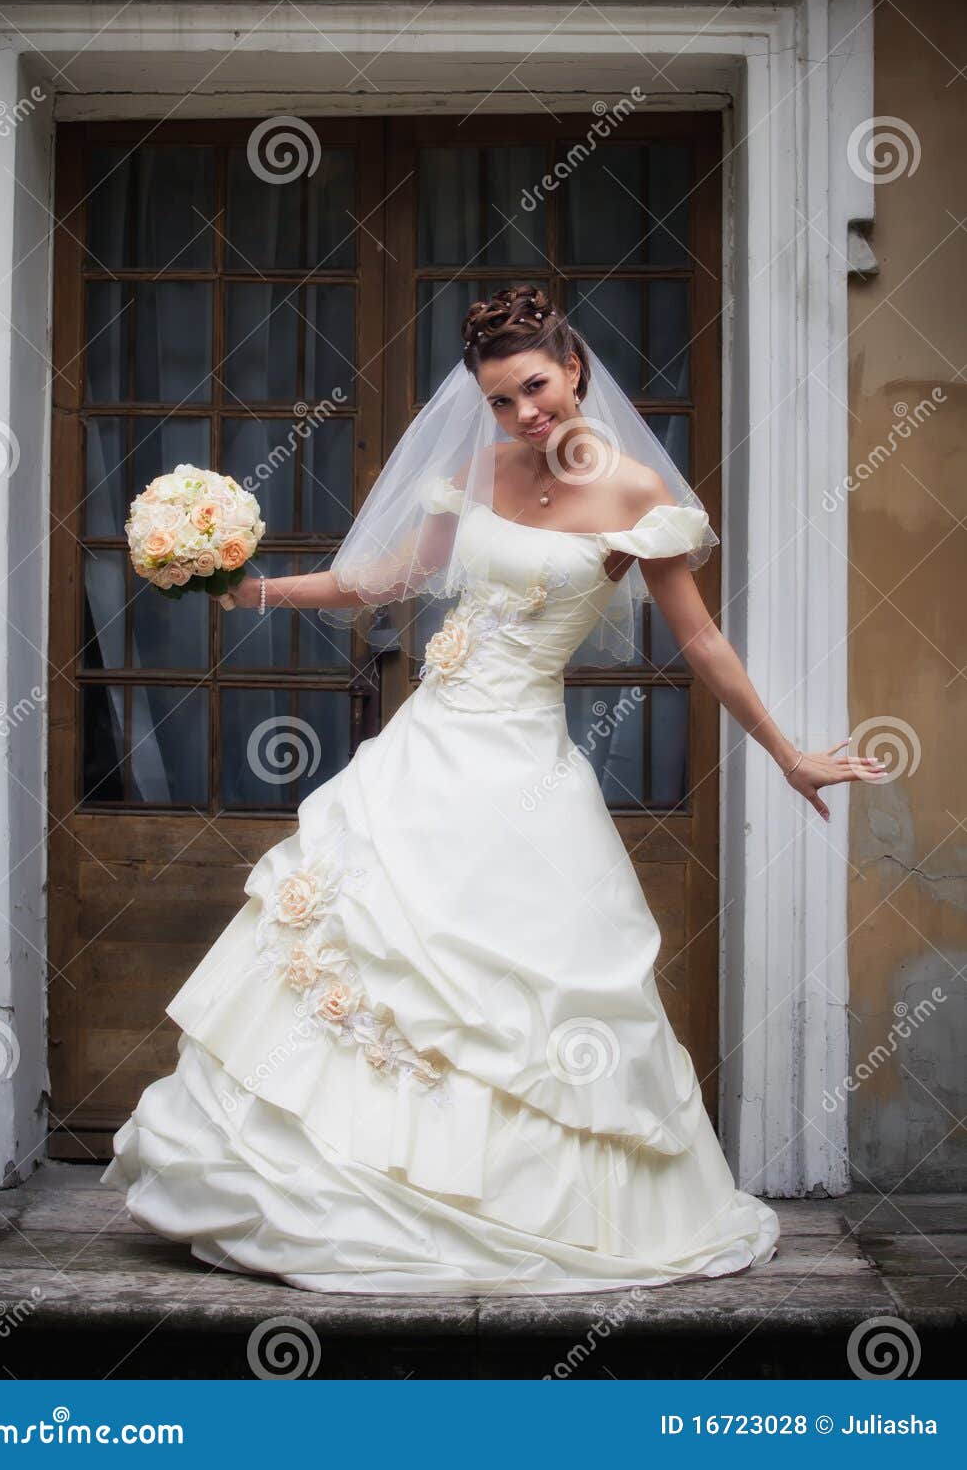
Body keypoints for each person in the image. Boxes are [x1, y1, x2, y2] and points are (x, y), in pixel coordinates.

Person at [101, 284, 887, 1293]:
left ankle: (506, 1208)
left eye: (534, 387)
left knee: (518, 994)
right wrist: (244, 586)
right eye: (502, 400)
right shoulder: (477, 470)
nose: (525, 413)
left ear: (572, 371)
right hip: (427, 748)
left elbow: (696, 637)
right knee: (357, 945)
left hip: (523, 766)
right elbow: (379, 580)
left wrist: (785, 753)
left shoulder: (636, 494)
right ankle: (336, 1189)